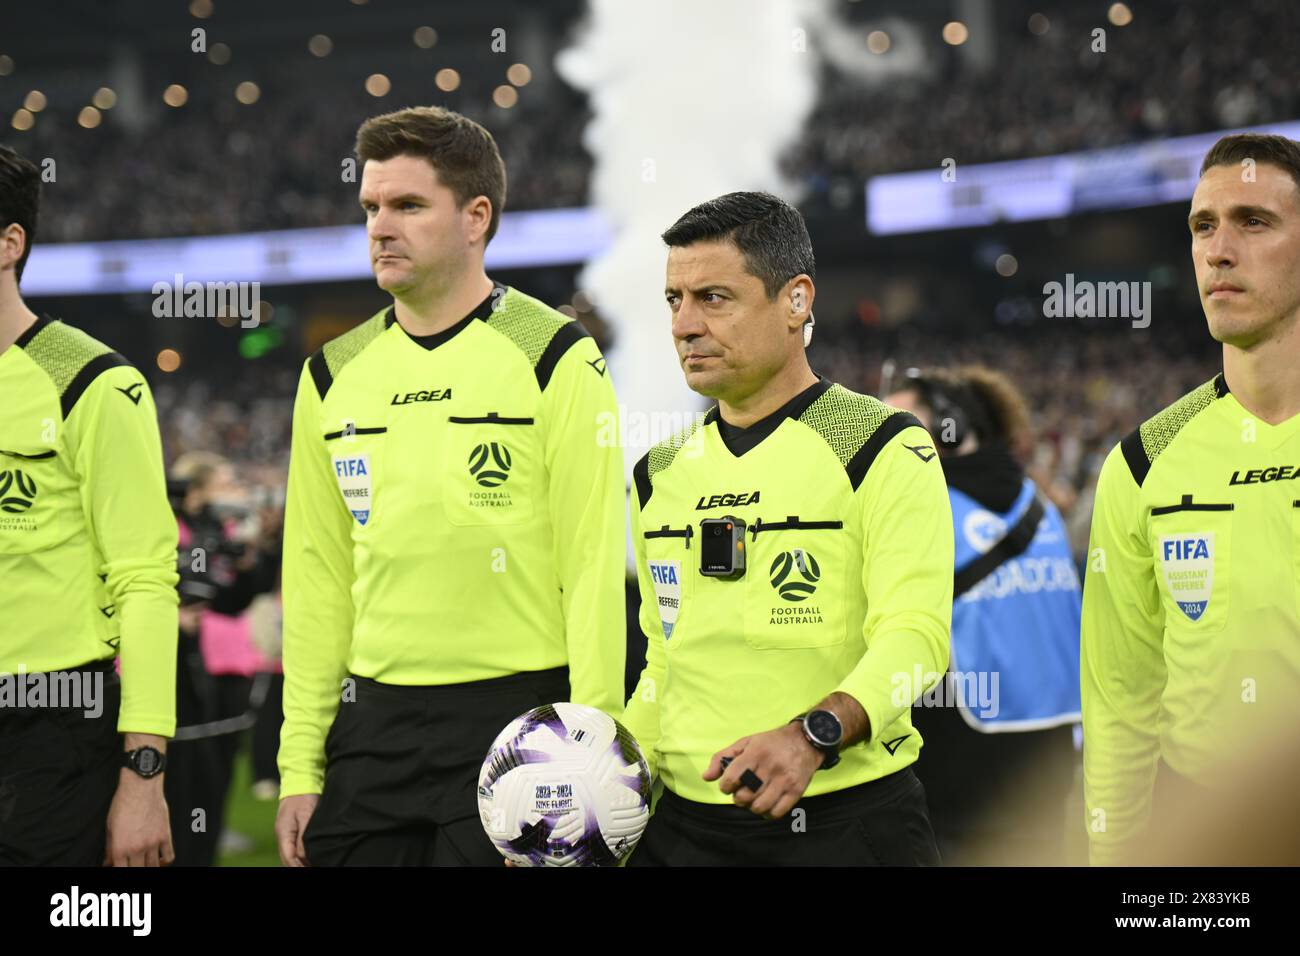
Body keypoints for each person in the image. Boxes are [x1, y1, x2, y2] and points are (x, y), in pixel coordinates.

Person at [274, 107, 626, 866]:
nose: (379, 226)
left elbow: (594, 566)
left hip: (521, 722)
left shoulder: (557, 357)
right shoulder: (330, 375)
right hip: (371, 728)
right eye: (371, 207)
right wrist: (300, 763)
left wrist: (595, 750)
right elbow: (316, 580)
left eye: (406, 205)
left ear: (476, 217)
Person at [622, 191, 953, 866]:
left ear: (796, 300)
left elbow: (917, 638)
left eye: (713, 297)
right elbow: (664, 660)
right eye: (673, 301)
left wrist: (813, 735)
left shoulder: (882, 444)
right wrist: (601, 787)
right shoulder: (657, 474)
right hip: (682, 835)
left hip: (847, 826)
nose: (685, 324)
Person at [1082, 132, 1300, 866]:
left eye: (1254, 221)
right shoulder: (1144, 462)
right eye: (1203, 226)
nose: (1219, 249)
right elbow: (1120, 699)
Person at [0, 144, 178, 866]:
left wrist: (144, 779)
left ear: (8, 243)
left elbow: (145, 581)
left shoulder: (92, 384)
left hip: (50, 731)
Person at [885, 365, 1081, 866]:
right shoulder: (1038, 504)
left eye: (895, 422)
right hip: (1053, 758)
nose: (877, 434)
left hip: (957, 767)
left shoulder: (920, 504)